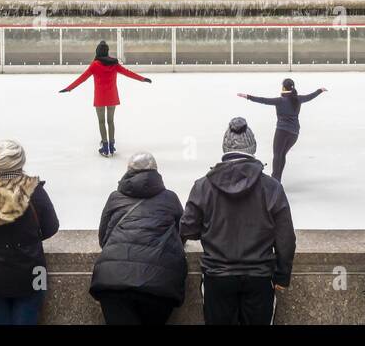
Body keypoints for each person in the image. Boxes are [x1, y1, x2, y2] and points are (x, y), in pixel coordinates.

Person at [180, 118, 295, 325]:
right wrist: (282, 276)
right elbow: (285, 237)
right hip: (259, 276)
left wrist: (210, 228)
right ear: (252, 149)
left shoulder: (203, 186)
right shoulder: (271, 187)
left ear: (225, 148)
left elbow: (187, 228)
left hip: (218, 275)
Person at [0, 139, 60, 325]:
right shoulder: (36, 192)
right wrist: (29, 240)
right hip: (34, 271)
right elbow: (51, 227)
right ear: (21, 162)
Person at [90, 152, 187, 325]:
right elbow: (182, 235)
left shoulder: (115, 197)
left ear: (128, 172)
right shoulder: (170, 198)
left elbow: (103, 238)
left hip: (114, 281)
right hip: (159, 284)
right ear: (156, 172)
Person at [59, 40, 152, 157]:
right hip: (112, 96)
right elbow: (128, 73)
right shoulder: (114, 64)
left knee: (102, 122)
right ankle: (112, 146)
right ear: (107, 52)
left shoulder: (95, 65)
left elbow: (82, 78)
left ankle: (105, 146)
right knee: (110, 121)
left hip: (100, 98)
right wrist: (142, 79)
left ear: (97, 52)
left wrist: (69, 88)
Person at [236, 78, 328, 182]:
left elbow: (263, 100)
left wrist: (248, 97)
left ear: (283, 87)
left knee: (277, 155)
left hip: (282, 131)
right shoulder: (298, 99)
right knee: (282, 154)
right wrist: (320, 90)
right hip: (294, 133)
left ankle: (275, 180)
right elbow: (310, 96)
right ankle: (276, 179)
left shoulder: (280, 101)